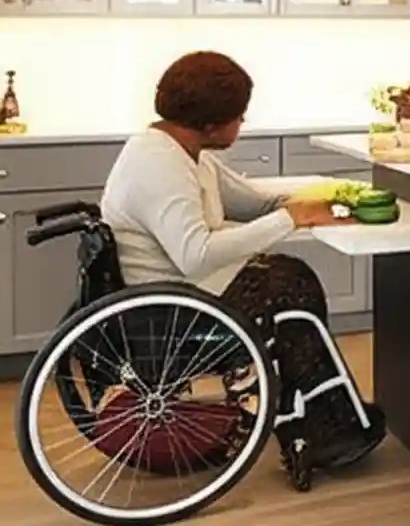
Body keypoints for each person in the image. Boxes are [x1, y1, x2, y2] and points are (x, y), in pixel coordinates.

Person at [99, 50, 384, 487]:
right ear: (213, 123)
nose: (242, 123)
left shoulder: (183, 151)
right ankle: (319, 426)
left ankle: (318, 422)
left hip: (188, 289)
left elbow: (251, 201)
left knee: (290, 277)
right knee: (291, 290)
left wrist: (314, 199)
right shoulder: (158, 164)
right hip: (173, 306)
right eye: (239, 116)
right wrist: (292, 218)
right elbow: (195, 254)